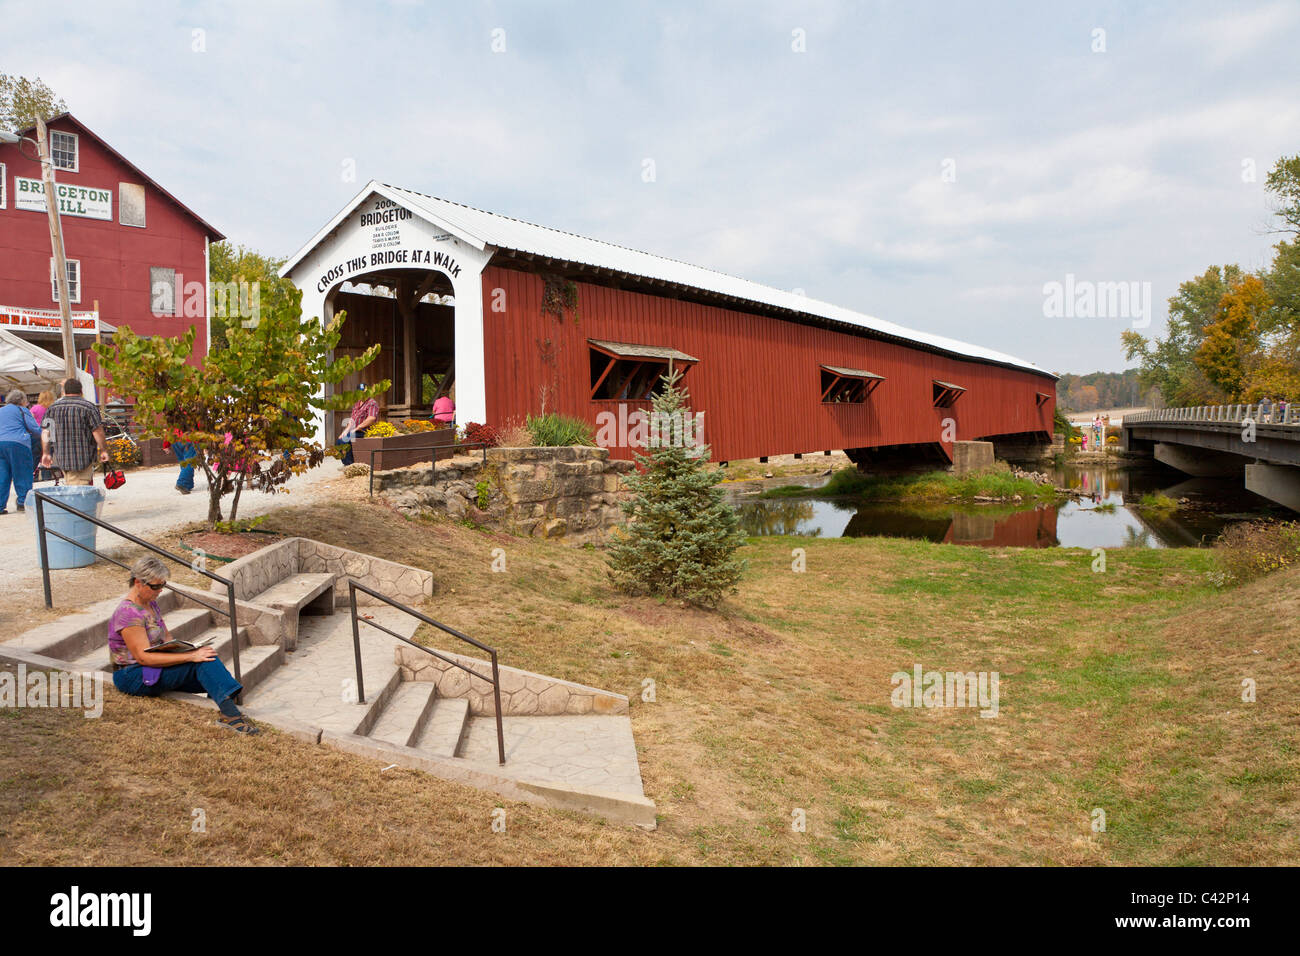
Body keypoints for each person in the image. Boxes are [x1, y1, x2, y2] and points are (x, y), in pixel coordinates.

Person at [109, 555, 259, 734]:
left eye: (162, 585)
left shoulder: (151, 604)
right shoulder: (128, 613)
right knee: (203, 663)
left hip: (153, 669)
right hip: (132, 675)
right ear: (138, 582)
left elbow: (167, 640)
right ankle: (231, 715)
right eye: (156, 586)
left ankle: (228, 709)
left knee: (208, 661)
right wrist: (191, 656)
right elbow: (142, 657)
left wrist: (189, 649)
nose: (160, 591)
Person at [40, 378, 109, 485]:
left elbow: (46, 433)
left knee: (71, 486)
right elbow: (98, 432)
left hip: (62, 458)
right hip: (83, 459)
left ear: (64, 392)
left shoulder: (52, 409)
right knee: (79, 493)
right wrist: (104, 450)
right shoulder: (88, 407)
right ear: (81, 391)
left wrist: (46, 453)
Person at [0, 389, 43, 514]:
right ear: (22, 401)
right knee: (22, 473)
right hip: (18, 444)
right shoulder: (21, 410)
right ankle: (23, 503)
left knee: (2, 475)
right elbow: (35, 430)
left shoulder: (1, 410)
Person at [337, 394, 380, 466]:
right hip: (356, 431)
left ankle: (350, 465)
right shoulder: (357, 404)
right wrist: (345, 431)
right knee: (339, 441)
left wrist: (357, 428)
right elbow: (352, 420)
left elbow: (371, 418)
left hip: (365, 431)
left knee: (344, 441)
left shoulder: (372, 403)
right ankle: (348, 464)